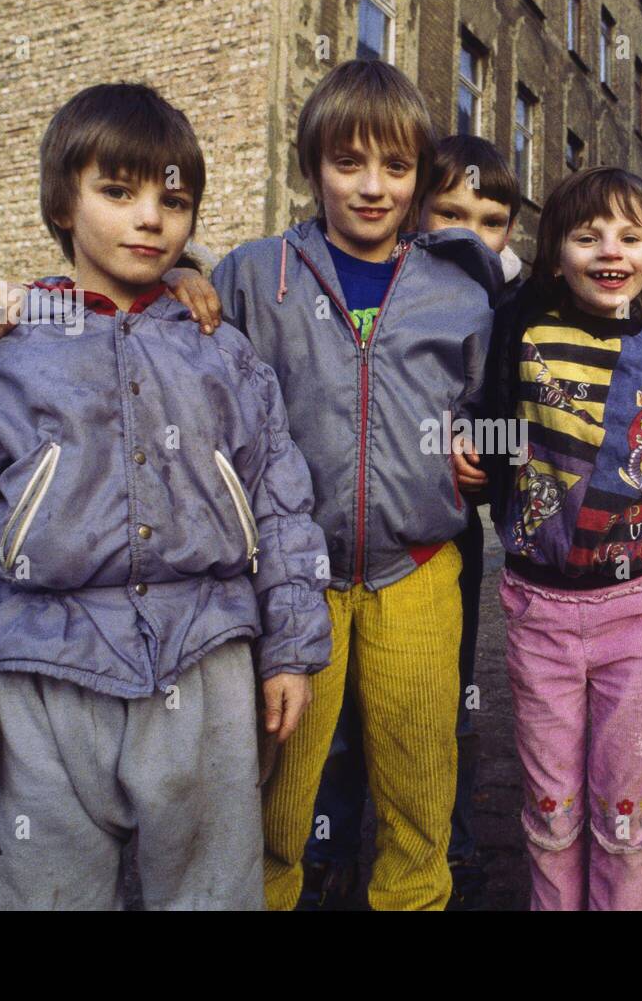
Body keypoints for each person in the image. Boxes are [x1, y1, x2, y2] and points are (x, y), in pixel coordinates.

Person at [0, 82, 331, 910]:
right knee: (40, 893)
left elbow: (282, 504)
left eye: (174, 198)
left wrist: (292, 647)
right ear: (62, 199)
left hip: (207, 672)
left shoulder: (223, 354)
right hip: (44, 686)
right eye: (117, 192)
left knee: (214, 892)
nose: (149, 217)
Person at [194, 61, 500, 910]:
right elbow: (170, 351)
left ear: (419, 180)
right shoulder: (255, 276)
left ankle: (414, 896)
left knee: (418, 784)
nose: (372, 187)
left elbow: (486, 405)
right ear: (312, 166)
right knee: (277, 792)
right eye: (348, 163)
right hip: (297, 582)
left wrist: (482, 447)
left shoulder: (458, 289)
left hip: (419, 567)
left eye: (396, 168)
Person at [468, 166, 642, 910]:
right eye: (587, 235)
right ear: (556, 256)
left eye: (630, 236)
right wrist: (471, 449)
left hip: (637, 609)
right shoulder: (525, 330)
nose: (610, 250)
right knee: (550, 806)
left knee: (626, 809)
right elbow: (492, 412)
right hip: (538, 608)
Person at [295, 133, 523, 909]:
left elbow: (511, 420)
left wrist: (489, 456)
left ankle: (443, 841)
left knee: (430, 705)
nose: (467, 231)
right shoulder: (352, 276)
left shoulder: (506, 303)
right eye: (450, 210)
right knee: (333, 712)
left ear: (509, 232)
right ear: (420, 209)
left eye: (488, 219)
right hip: (332, 543)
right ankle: (327, 837)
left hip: (434, 538)